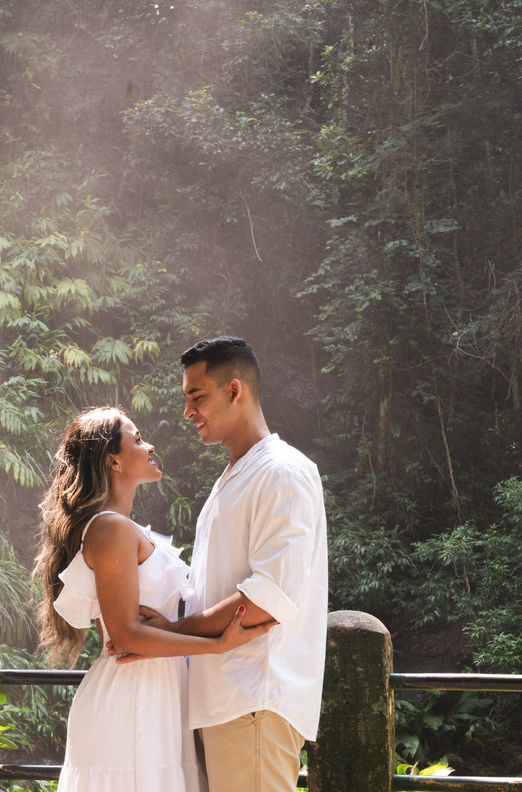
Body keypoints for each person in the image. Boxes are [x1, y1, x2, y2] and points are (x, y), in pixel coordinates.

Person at [116, 336, 328, 792]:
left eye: (198, 397)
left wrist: (166, 634)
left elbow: (266, 600)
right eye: (186, 399)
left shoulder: (283, 472)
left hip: (254, 699)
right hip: (222, 701)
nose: (188, 412)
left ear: (235, 390)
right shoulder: (232, 479)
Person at [34, 406, 276, 792]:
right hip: (134, 697)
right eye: (137, 439)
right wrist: (216, 645)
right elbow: (125, 636)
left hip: (156, 694)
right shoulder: (110, 529)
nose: (150, 445)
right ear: (113, 460)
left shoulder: (121, 528)